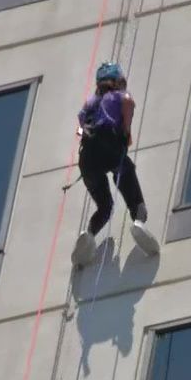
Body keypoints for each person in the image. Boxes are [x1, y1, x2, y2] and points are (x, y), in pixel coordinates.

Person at [71, 61, 159, 266]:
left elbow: (79, 129)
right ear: (119, 81)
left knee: (105, 206)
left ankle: (89, 233)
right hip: (110, 147)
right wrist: (126, 131)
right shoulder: (120, 96)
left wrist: (87, 133)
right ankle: (138, 221)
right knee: (127, 174)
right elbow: (128, 104)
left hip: (87, 158)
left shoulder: (90, 102)